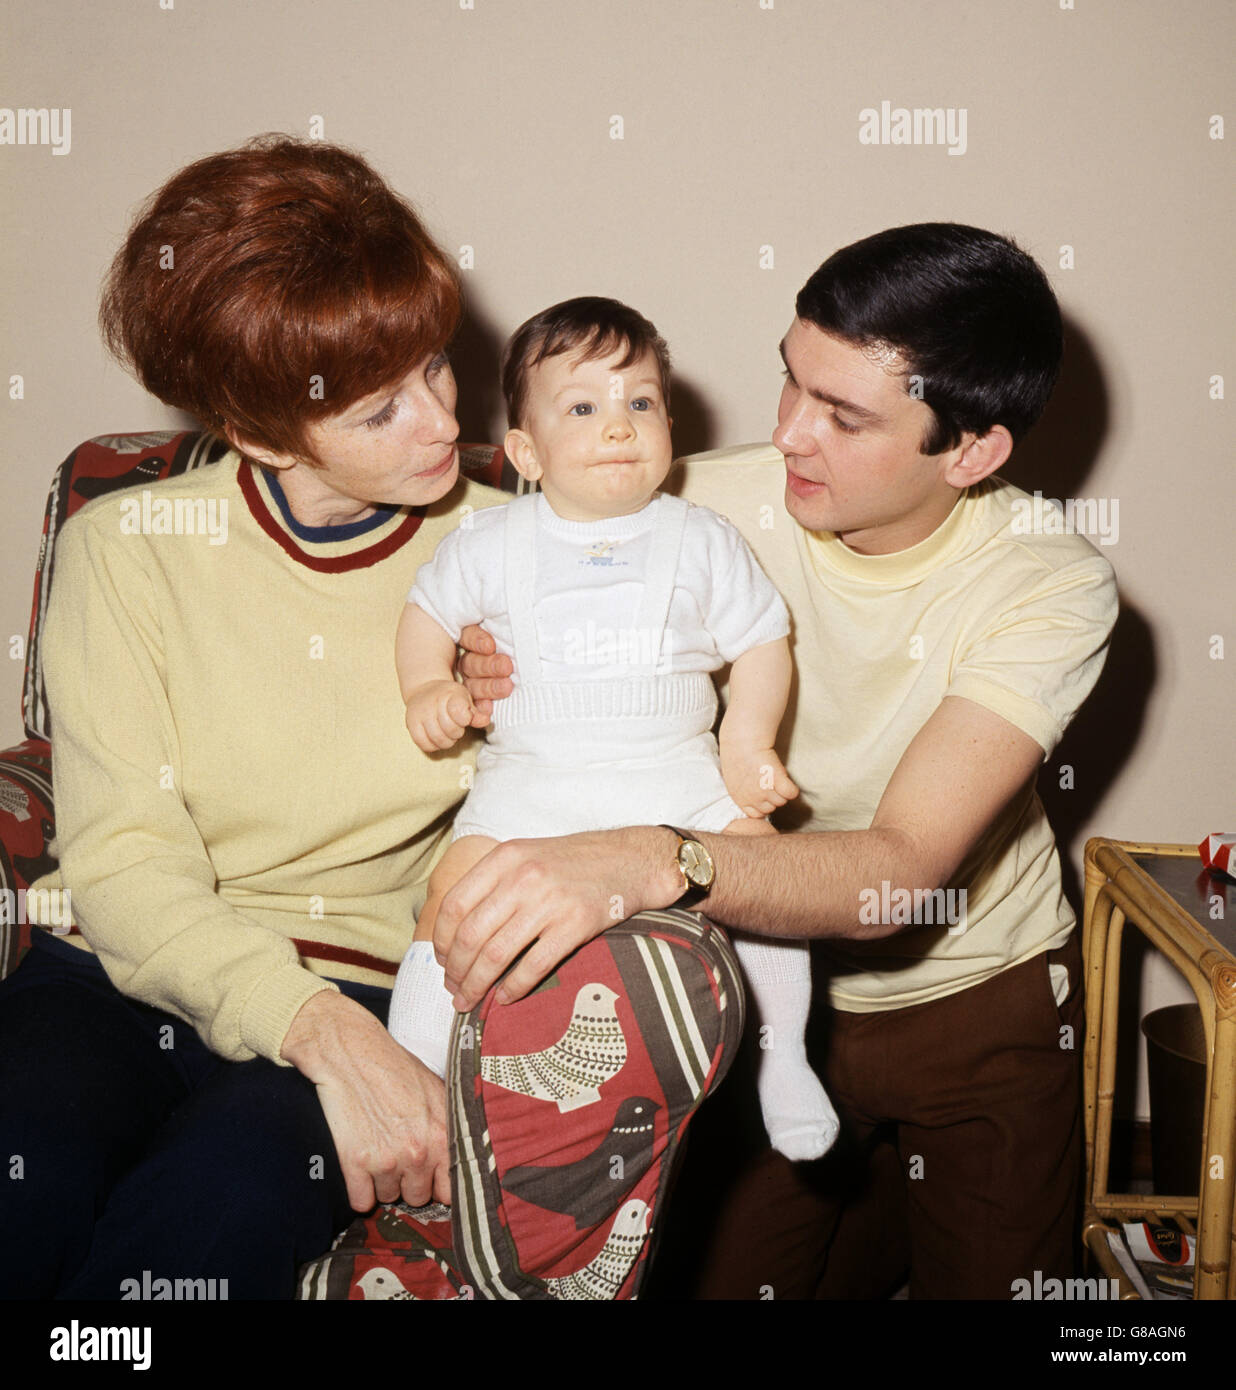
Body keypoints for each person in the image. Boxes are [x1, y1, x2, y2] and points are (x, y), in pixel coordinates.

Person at [0, 136, 742, 1301]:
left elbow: (710, 543)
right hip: (119, 977)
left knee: (207, 1224)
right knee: (22, 1179)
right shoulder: (129, 549)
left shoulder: (525, 542)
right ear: (259, 432)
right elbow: (127, 865)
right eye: (380, 407)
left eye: (437, 367)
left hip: (361, 973)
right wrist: (326, 1039)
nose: (443, 423)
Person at [436, 223, 1119, 1299]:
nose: (787, 433)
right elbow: (511, 538)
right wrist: (476, 656)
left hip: (977, 1006)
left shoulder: (1051, 583)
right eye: (791, 382)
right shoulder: (695, 500)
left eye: (843, 416)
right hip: (751, 1002)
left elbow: (898, 870)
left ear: (973, 450)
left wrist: (652, 857)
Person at [387, 296, 838, 1162]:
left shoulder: (702, 538)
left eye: (641, 403)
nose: (619, 427)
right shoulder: (490, 540)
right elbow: (424, 617)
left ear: (672, 420)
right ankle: (423, 1079)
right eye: (583, 408)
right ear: (524, 451)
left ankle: (785, 1055)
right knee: (452, 898)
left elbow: (761, 646)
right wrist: (423, 689)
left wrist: (748, 745)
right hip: (529, 784)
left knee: (769, 875)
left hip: (677, 773)